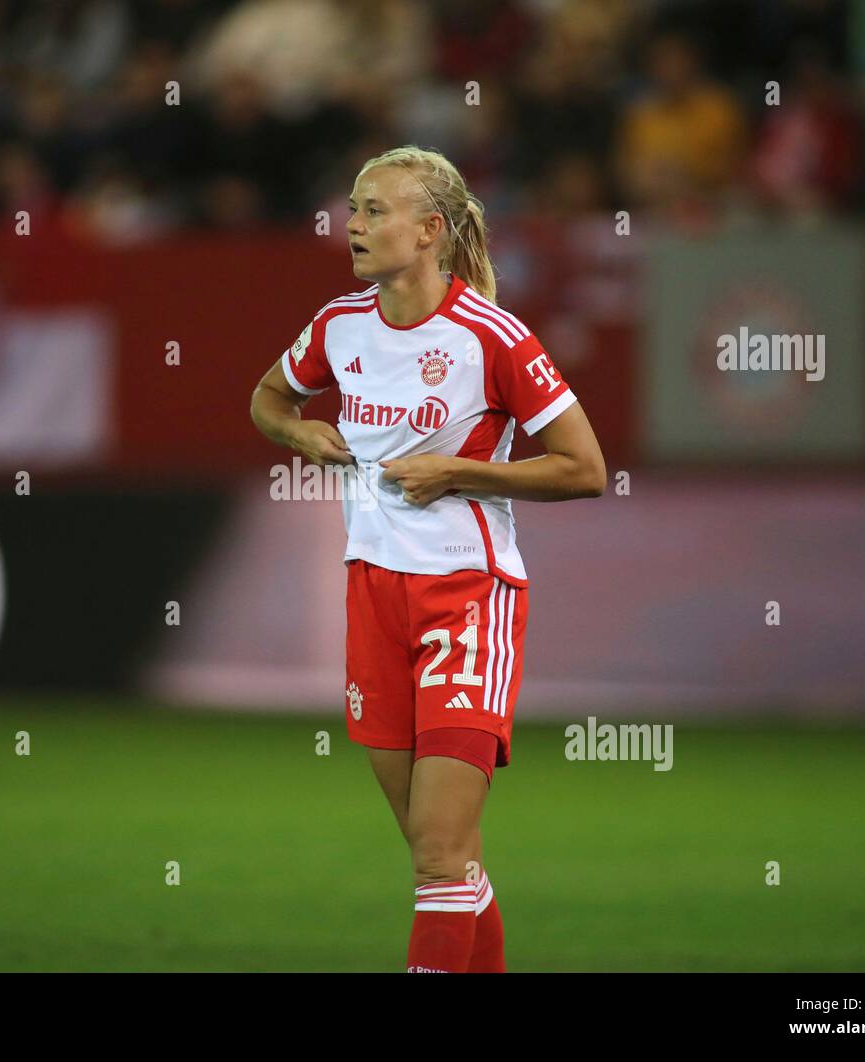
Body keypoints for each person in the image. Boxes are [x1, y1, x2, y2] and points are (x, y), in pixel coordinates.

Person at [250, 145, 605, 972]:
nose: (353, 224)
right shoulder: (340, 325)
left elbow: (584, 468)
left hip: (466, 596)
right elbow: (266, 398)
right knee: (445, 855)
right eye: (353, 208)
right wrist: (300, 431)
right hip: (372, 592)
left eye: (374, 210)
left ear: (429, 230)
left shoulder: (493, 337)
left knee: (439, 855)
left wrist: (460, 471)